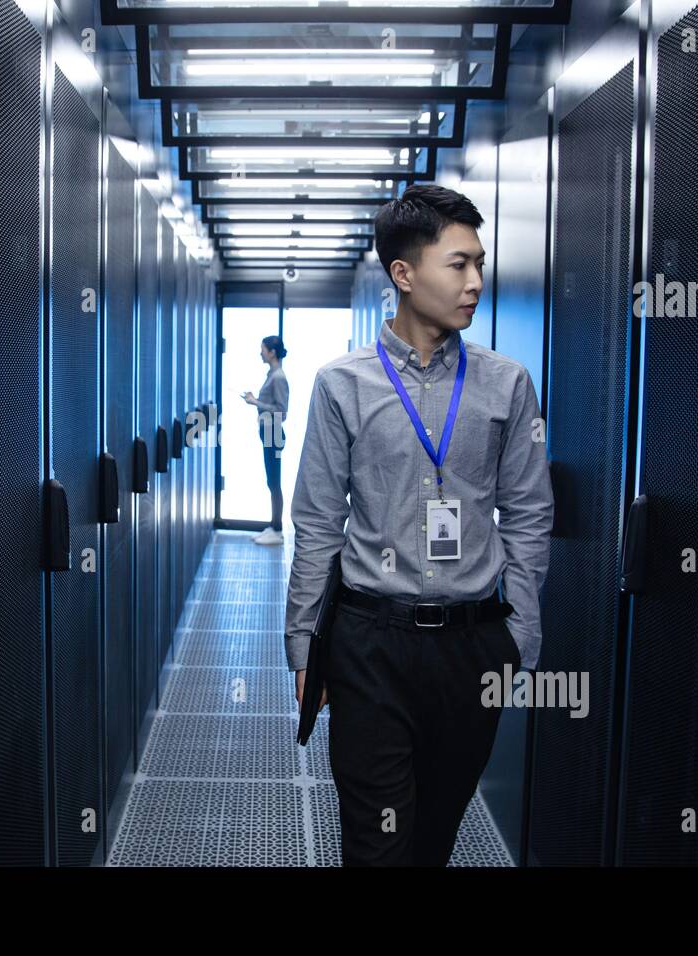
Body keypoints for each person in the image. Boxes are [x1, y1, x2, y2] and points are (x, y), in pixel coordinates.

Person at [284, 183, 553, 866]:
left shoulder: (508, 385)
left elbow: (528, 511)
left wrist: (517, 632)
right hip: (371, 643)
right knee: (379, 847)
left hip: (472, 646)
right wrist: (305, 648)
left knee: (432, 842)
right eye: (458, 264)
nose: (476, 283)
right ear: (404, 275)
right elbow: (318, 523)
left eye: (480, 264)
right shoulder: (341, 385)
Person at [242, 335, 290, 546]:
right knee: (271, 481)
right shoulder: (271, 374)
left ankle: (278, 530)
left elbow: (282, 411)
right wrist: (256, 400)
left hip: (274, 433)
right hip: (268, 432)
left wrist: (255, 402)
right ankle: (273, 526)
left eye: (262, 349)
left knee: (275, 481)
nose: (260, 352)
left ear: (271, 352)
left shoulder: (278, 376)